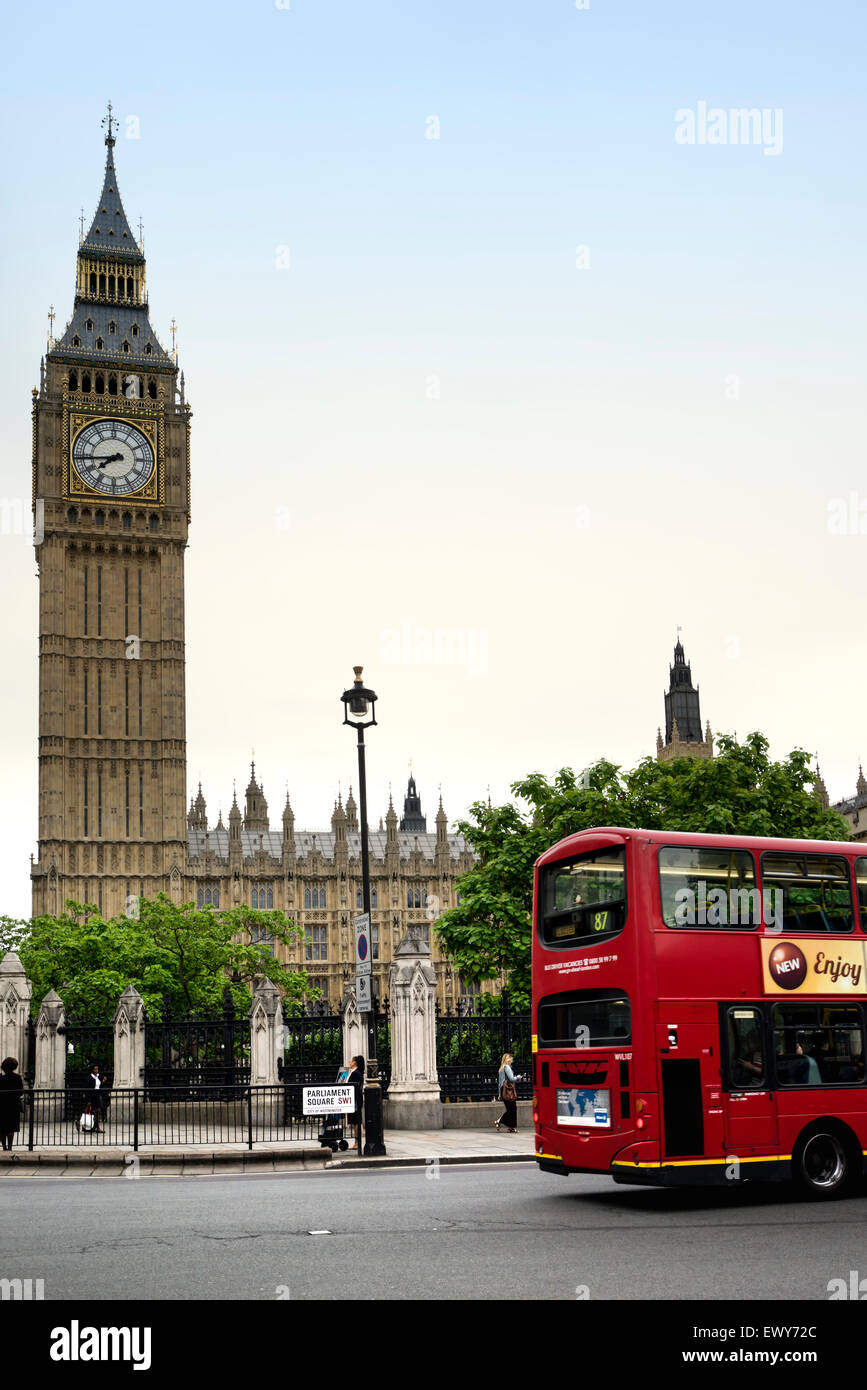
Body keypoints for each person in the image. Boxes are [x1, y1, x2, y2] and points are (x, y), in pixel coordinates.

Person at [0, 1057, 24, 1154]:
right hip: (13, 1105)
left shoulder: (1, 1078)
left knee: (2, 1127)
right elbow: (21, 1091)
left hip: (1, 1105)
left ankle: (4, 1147)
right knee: (11, 1127)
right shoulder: (17, 1078)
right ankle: (10, 1147)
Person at [495, 1052, 523, 1133]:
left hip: (503, 1090)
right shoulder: (507, 1067)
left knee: (510, 1109)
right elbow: (511, 1078)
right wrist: (517, 1077)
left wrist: (499, 1094)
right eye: (511, 1059)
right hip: (508, 1090)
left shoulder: (501, 1068)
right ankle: (499, 1121)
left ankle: (510, 1127)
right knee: (513, 1108)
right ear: (508, 1059)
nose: (512, 1060)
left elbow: (500, 1083)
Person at [347, 1055, 364, 1151]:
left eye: (351, 1060)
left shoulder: (356, 1073)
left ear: (354, 1062)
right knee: (356, 1121)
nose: (350, 1062)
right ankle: (357, 1142)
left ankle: (357, 1142)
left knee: (357, 1121)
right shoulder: (355, 1072)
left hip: (355, 1100)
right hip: (355, 1100)